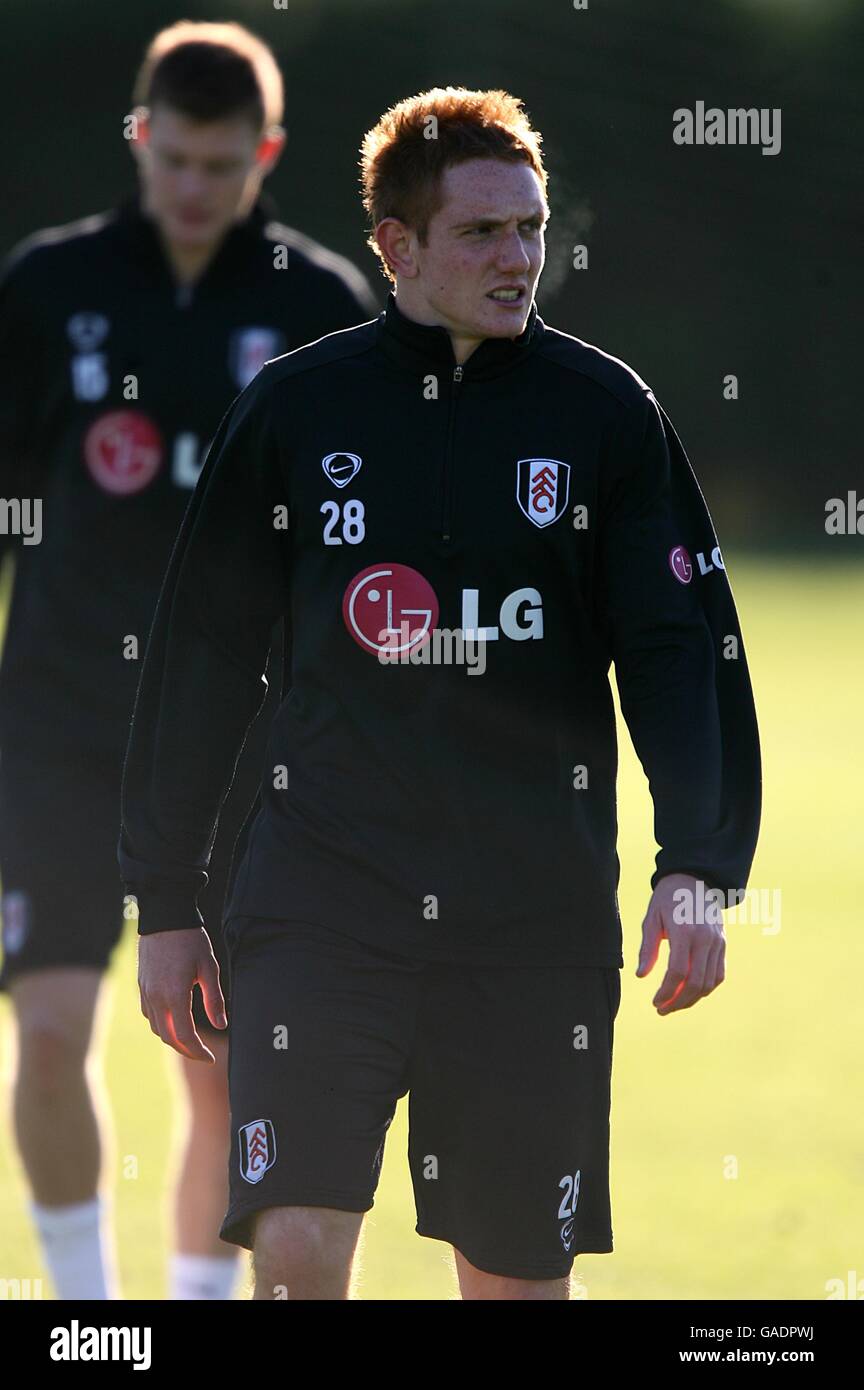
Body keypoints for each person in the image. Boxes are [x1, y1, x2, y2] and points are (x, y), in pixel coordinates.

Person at [118, 86, 761, 1301]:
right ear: (397, 248)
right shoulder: (297, 411)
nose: (519, 257)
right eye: (482, 233)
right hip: (321, 900)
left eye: (531, 226)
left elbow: (681, 650)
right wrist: (165, 894)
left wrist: (699, 859)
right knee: (298, 1251)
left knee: (513, 1283)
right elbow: (199, 658)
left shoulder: (605, 414)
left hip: (531, 921)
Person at [0, 20, 377, 1302]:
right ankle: (84, 1317)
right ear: (139, 141)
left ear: (264, 151)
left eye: (223, 163)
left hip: (233, 744)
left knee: (217, 1058)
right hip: (55, 727)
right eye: (174, 159)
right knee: (48, 1037)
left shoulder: (318, 304)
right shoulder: (47, 289)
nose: (196, 187)